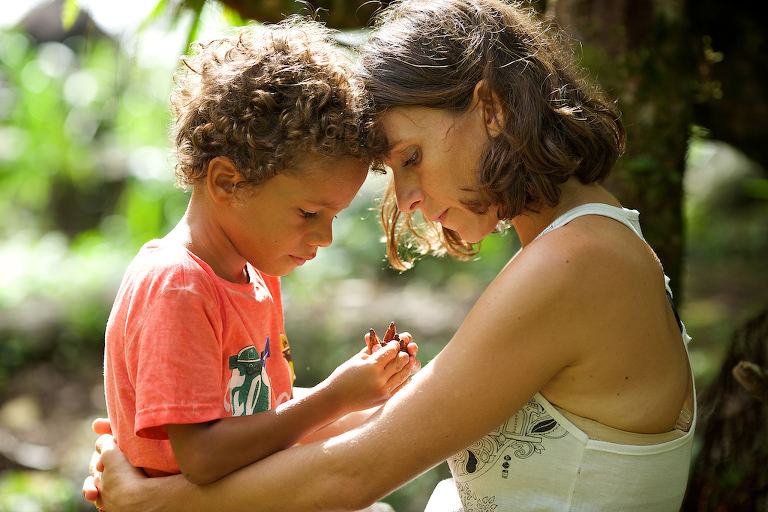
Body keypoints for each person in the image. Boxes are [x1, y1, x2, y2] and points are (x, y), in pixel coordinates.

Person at [83, 1, 696, 510]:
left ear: (491, 108)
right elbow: (385, 427)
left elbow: (353, 472)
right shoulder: (578, 246)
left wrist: (152, 503)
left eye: (411, 158)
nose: (406, 199)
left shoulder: (577, 263)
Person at [99, 17, 419, 493]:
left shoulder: (254, 273)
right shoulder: (178, 286)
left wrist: (368, 391)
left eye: (334, 215)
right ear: (228, 182)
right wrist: (335, 397)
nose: (325, 237)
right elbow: (204, 456)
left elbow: (259, 415)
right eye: (309, 212)